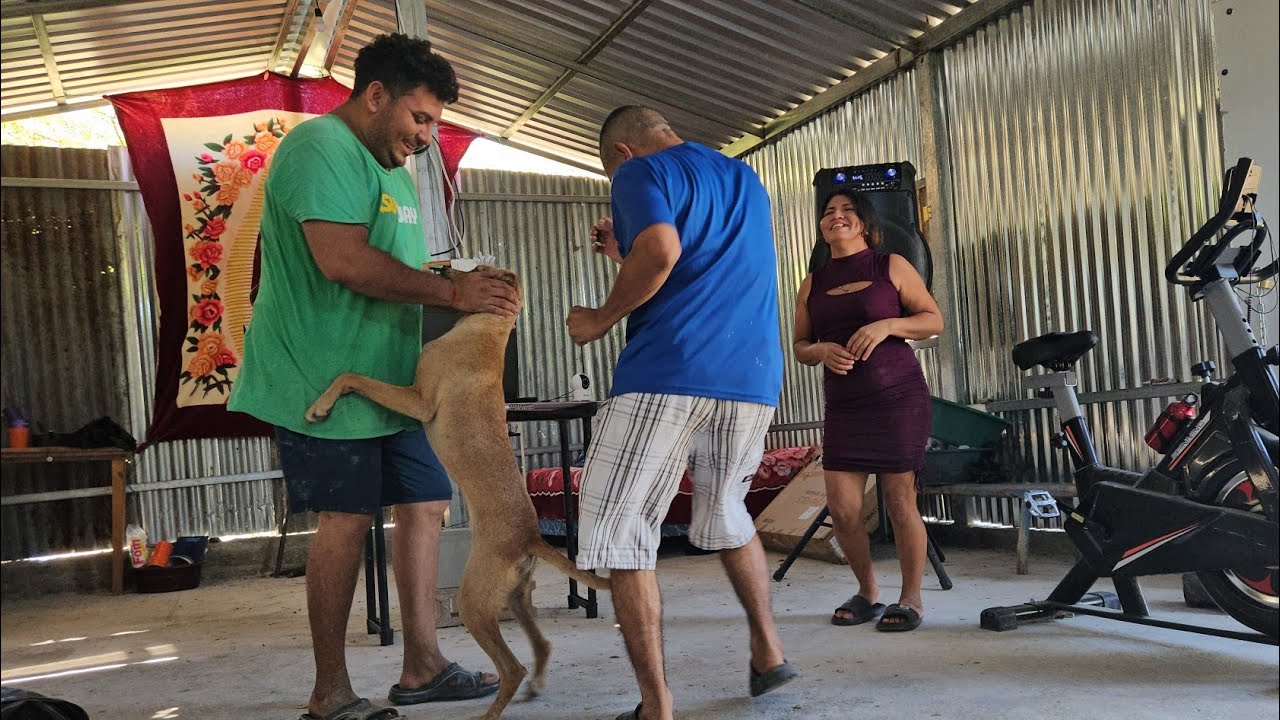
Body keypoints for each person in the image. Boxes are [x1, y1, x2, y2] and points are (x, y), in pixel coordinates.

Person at [228, 33, 519, 720]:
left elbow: (399, 264)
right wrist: (453, 294)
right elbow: (344, 261)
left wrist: (457, 279)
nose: (426, 136)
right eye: (420, 118)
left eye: (435, 124)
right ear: (376, 95)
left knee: (425, 502)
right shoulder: (321, 148)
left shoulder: (394, 168)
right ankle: (329, 693)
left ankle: (423, 667)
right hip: (323, 377)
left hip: (392, 383)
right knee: (346, 520)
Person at [566, 105, 798, 720]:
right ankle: (769, 651)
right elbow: (696, 267)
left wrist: (600, 317)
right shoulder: (743, 177)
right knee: (727, 511)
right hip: (750, 377)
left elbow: (662, 250)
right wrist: (625, 254)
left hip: (668, 371)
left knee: (620, 532)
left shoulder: (637, 172)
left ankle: (656, 706)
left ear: (621, 151)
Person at [791, 189, 943, 633]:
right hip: (845, 406)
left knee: (899, 502)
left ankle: (911, 598)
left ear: (866, 224)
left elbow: (933, 319)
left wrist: (888, 325)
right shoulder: (812, 283)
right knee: (843, 511)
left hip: (898, 398)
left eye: (847, 210)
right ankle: (867, 592)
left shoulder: (891, 266)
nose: (836, 216)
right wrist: (820, 350)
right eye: (828, 212)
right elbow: (800, 346)